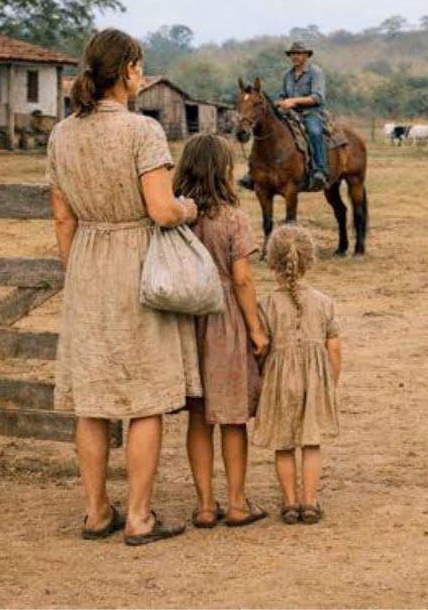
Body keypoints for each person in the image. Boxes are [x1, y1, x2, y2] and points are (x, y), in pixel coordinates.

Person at [48, 28, 202, 546]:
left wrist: (78, 275)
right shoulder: (143, 132)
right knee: (145, 399)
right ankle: (139, 517)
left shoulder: (61, 134)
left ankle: (96, 513)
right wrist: (189, 208)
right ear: (129, 71)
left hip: (87, 265)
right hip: (137, 264)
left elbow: (62, 218)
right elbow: (160, 210)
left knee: (90, 399)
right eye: (139, 64)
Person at [172, 134, 271, 528]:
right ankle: (237, 502)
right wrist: (256, 328)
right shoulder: (233, 217)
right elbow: (242, 278)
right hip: (225, 318)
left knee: (198, 418)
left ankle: (205, 505)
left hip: (184, 319)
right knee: (231, 417)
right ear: (224, 171)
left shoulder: (176, 216)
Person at [251, 224, 343, 525]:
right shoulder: (325, 302)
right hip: (315, 382)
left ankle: (290, 503)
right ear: (310, 260)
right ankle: (310, 502)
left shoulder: (265, 305)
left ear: (273, 262)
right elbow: (334, 348)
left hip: (280, 382)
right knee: (311, 442)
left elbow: (261, 347)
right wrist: (330, 382)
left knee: (284, 443)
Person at [279, 41, 328, 191]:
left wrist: (293, 101)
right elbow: (283, 96)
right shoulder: (287, 75)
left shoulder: (315, 72)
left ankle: (320, 170)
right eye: (293, 54)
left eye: (299, 53)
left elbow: (318, 97)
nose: (296, 56)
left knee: (314, 132)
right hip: (290, 114)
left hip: (311, 113)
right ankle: (256, 171)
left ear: (306, 56)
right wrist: (278, 103)